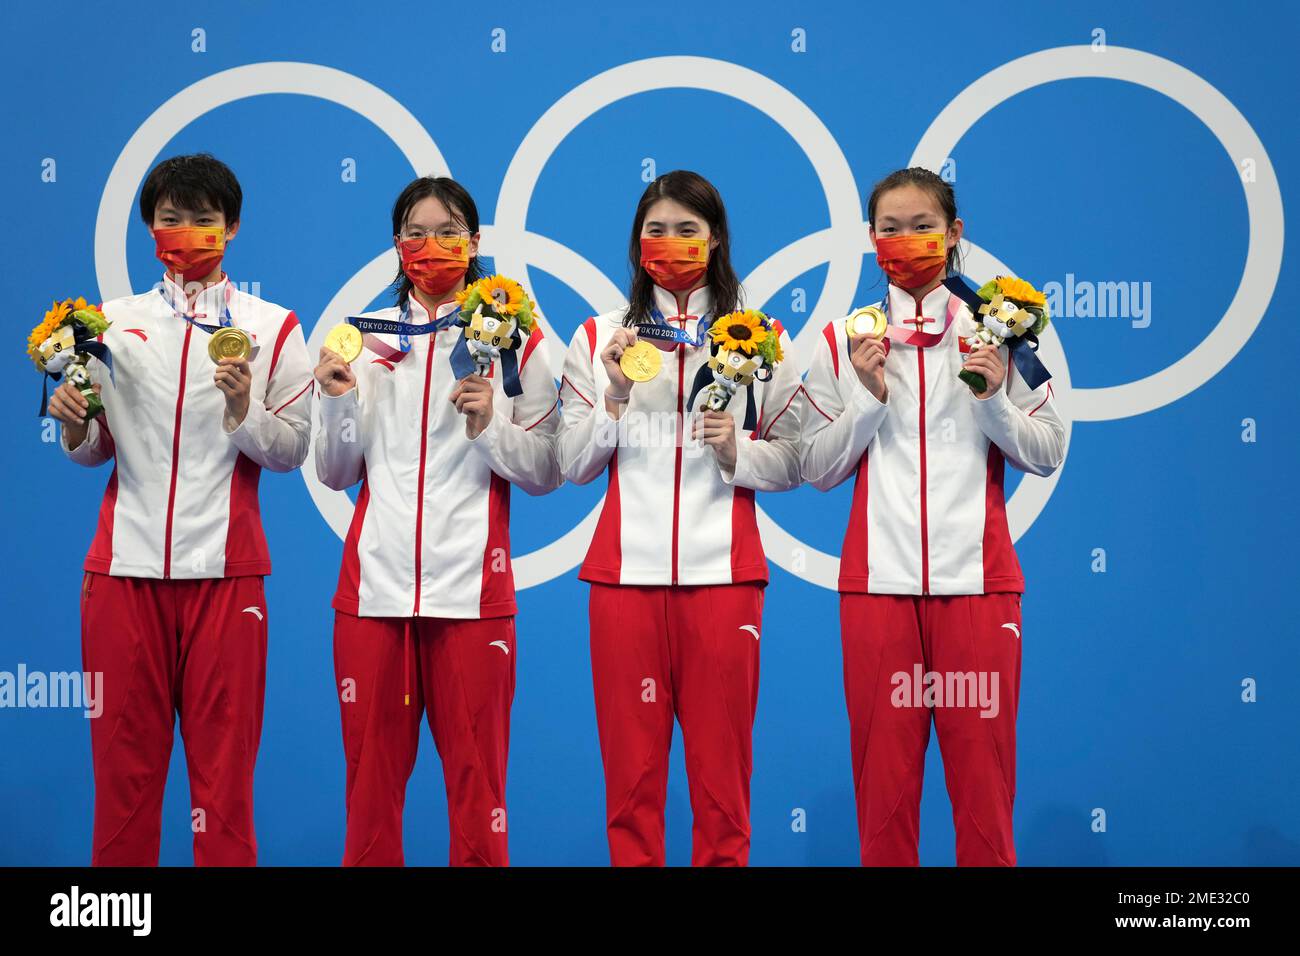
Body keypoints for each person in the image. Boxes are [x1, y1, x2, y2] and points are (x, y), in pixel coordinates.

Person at [48, 152, 314, 865]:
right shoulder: (106, 323)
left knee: (223, 791)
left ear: (232, 228)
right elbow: (93, 448)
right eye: (171, 219)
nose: (187, 233)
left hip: (226, 578)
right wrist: (72, 420)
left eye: (203, 220)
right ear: (148, 227)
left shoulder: (274, 326)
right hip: (123, 573)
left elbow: (291, 451)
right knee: (122, 786)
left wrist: (242, 409)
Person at [800, 166, 1066, 866]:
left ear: (954, 235)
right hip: (878, 593)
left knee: (983, 804)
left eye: (923, 226)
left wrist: (992, 397)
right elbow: (819, 471)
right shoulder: (841, 341)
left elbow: (1047, 453)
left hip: (977, 593)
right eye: (891, 228)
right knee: (883, 810)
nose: (906, 240)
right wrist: (867, 397)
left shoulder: (1001, 331)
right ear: (870, 239)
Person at [314, 175, 561, 866]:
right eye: (416, 233)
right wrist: (334, 401)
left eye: (449, 232)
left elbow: (545, 471)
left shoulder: (521, 339)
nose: (432, 246)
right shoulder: (360, 339)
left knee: (480, 801)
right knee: (368, 804)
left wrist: (490, 427)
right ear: (397, 247)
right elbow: (335, 473)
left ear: (476, 243)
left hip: (473, 597)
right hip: (373, 598)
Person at [557, 170, 802, 866]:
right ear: (637, 243)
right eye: (656, 230)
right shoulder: (601, 335)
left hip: (725, 582)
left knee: (723, 790)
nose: (670, 243)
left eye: (687, 230)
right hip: (623, 581)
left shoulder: (758, 338)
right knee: (631, 791)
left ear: (715, 238)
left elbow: (799, 461)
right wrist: (612, 396)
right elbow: (571, 466)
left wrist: (740, 455)